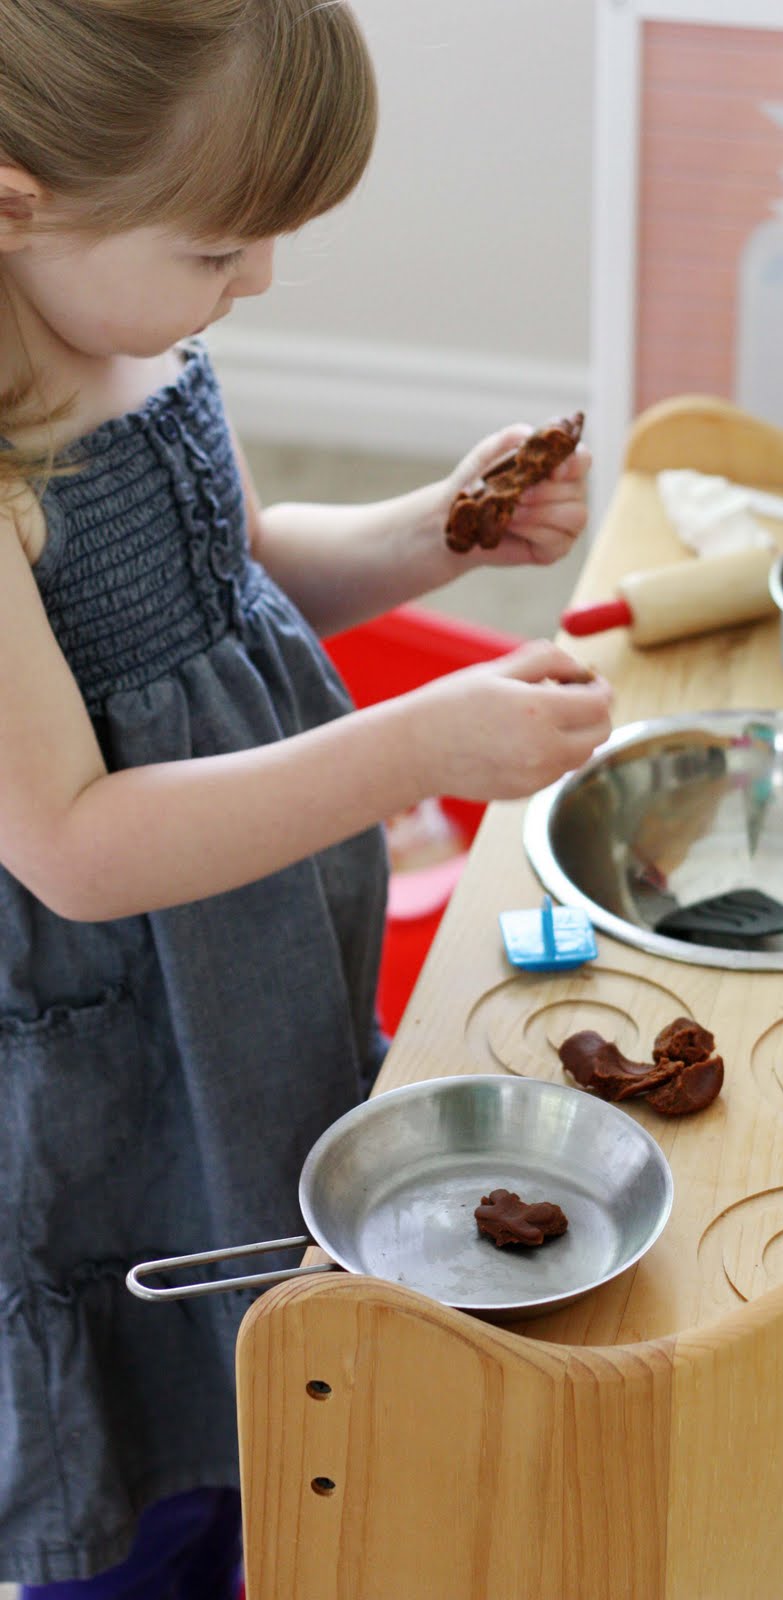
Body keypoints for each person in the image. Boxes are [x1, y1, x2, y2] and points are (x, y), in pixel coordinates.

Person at [0, 3, 613, 1594]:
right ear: (17, 202)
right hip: (99, 1049)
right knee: (150, 1422)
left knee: (274, 1358)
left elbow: (237, 578)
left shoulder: (132, 327)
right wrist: (415, 749)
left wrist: (439, 533)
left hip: (246, 972)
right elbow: (68, 843)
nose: (255, 281)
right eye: (221, 248)